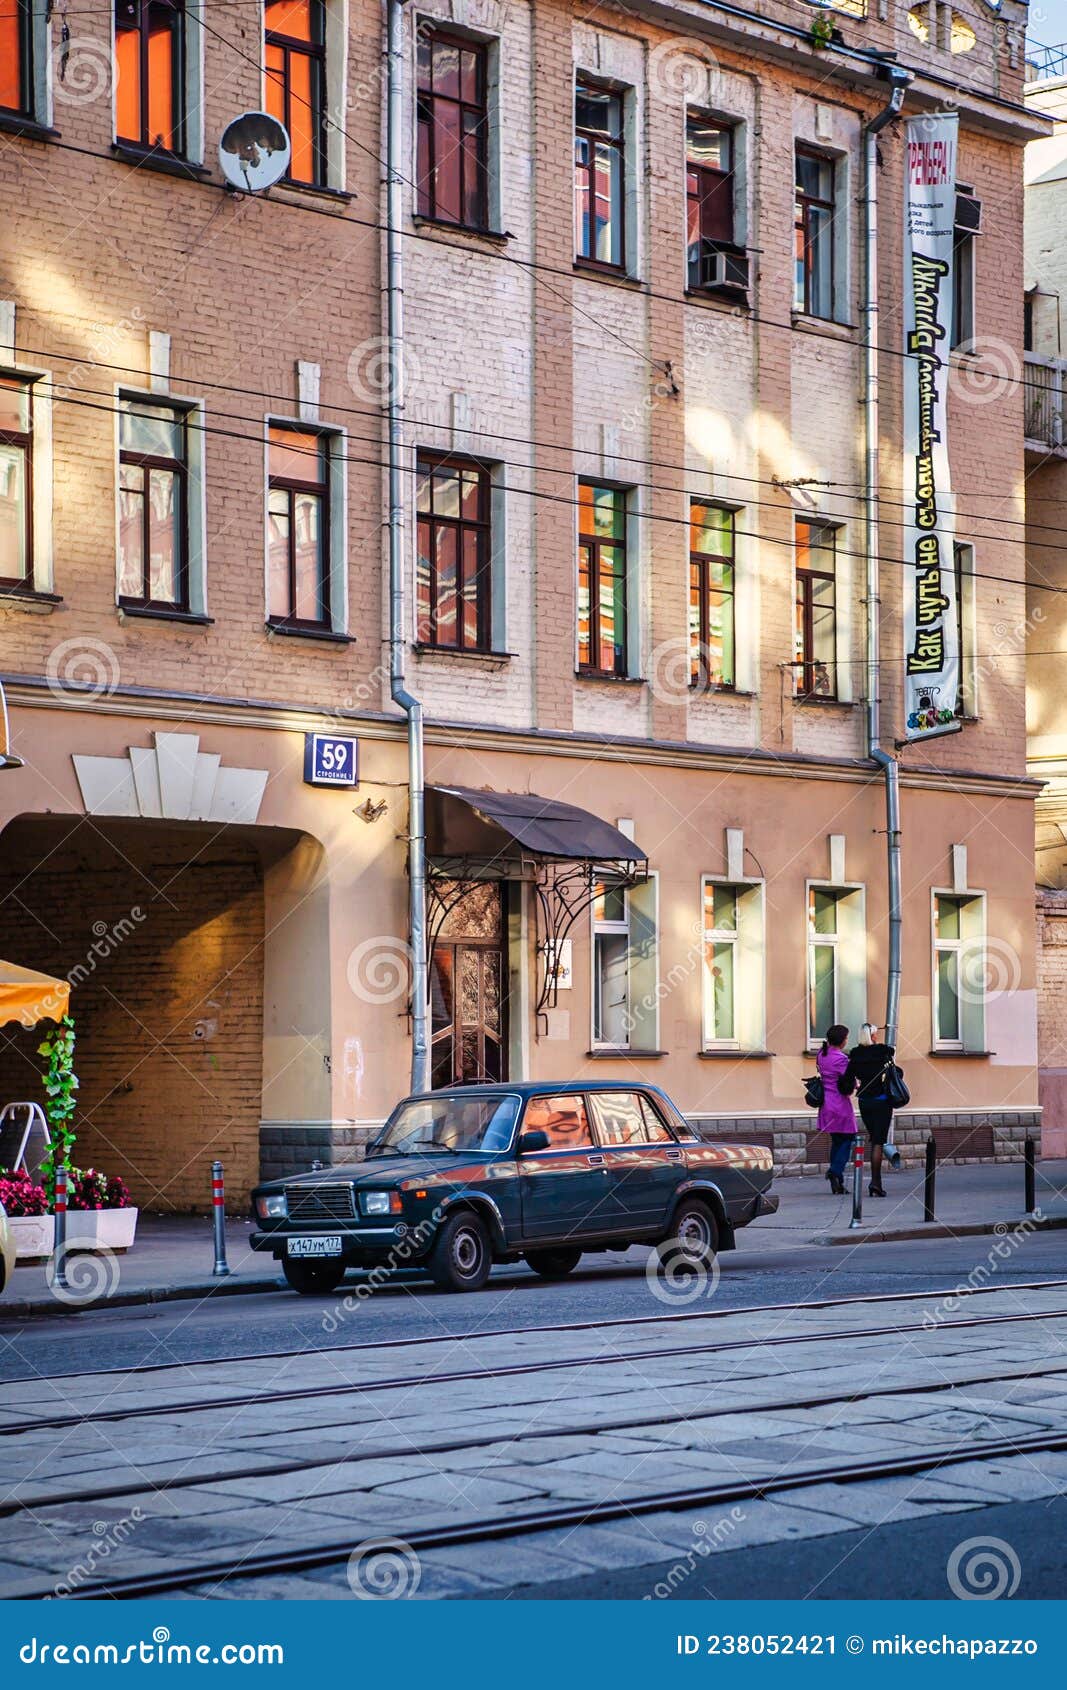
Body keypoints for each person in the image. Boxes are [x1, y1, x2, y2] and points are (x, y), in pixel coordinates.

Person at [848, 1022, 897, 1198]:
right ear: (872, 1036)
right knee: (878, 1141)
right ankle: (876, 1182)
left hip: (864, 1101)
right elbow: (891, 1052)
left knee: (874, 1138)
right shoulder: (881, 1051)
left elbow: (848, 1077)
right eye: (875, 1034)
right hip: (881, 1101)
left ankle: (875, 1182)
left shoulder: (855, 1054)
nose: (877, 1036)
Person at [816, 1023, 857, 1195]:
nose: (847, 1040)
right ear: (842, 1040)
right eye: (846, 1038)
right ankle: (835, 1171)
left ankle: (837, 1181)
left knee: (837, 1140)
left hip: (826, 1103)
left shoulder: (821, 1054)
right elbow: (850, 1081)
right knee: (848, 1138)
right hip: (840, 1104)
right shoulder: (841, 1059)